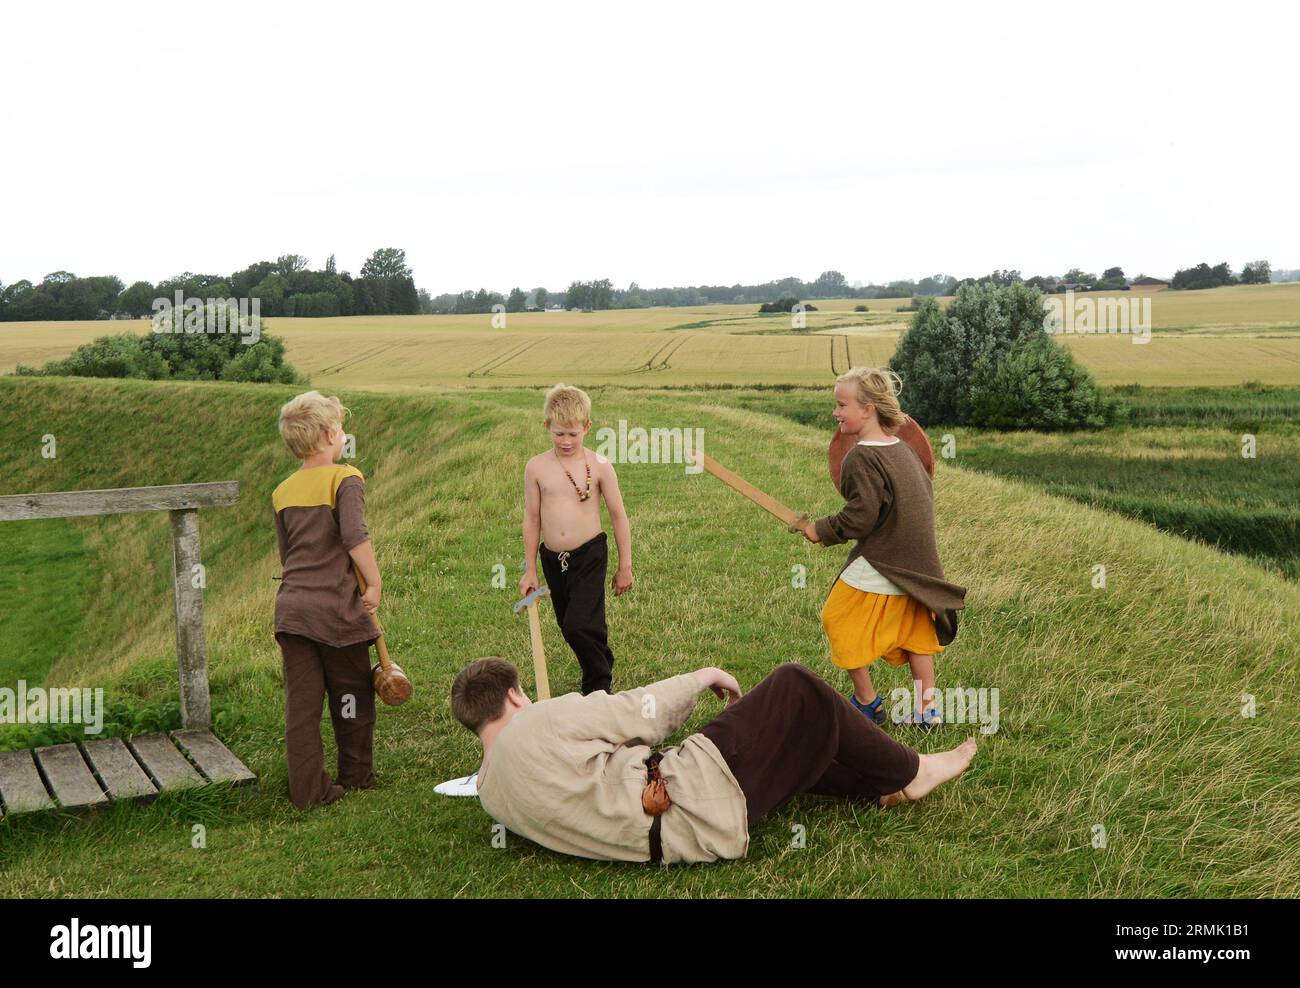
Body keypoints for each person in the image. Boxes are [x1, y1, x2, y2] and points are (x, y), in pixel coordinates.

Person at [450, 658, 976, 864]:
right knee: (797, 689)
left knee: (801, 732)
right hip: (692, 796)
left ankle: (877, 788)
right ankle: (912, 771)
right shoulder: (535, 720)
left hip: (673, 837)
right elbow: (637, 712)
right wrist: (702, 678)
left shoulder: (490, 795)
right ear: (516, 697)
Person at [796, 368, 966, 727]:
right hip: (919, 562)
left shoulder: (860, 456)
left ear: (868, 409)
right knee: (915, 632)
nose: (836, 413)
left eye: (842, 405)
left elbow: (861, 517)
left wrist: (820, 530)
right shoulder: (902, 448)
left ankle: (867, 702)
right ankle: (926, 712)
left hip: (886, 559)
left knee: (837, 617)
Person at [272, 391, 382, 808]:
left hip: (292, 609)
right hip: (336, 610)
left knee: (301, 704)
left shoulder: (282, 491)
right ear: (329, 433)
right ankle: (356, 774)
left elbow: (288, 556)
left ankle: (308, 791)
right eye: (340, 427)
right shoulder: (345, 478)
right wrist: (373, 584)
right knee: (352, 689)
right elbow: (355, 537)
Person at [519, 383, 633, 695]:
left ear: (587, 427)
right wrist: (530, 569)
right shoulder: (537, 467)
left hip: (589, 554)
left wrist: (626, 565)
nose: (566, 441)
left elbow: (618, 515)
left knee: (578, 624)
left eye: (573, 433)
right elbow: (531, 518)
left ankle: (598, 684)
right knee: (570, 624)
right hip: (553, 559)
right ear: (547, 427)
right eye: (559, 434)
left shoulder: (599, 466)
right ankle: (601, 658)